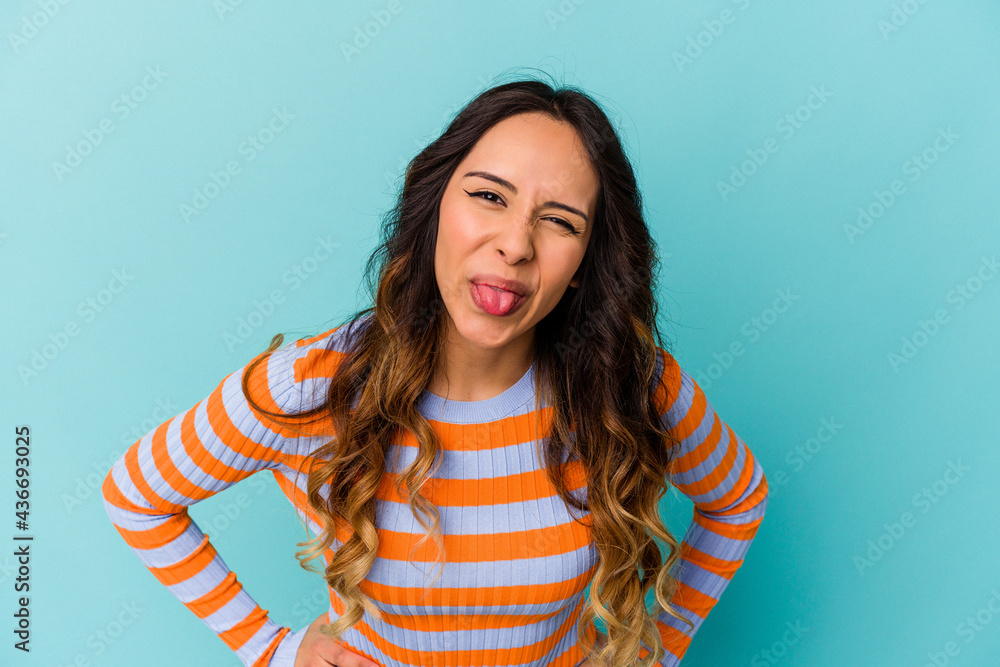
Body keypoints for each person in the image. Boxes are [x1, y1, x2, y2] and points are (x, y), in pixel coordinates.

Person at [102, 75, 768, 667]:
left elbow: (738, 499)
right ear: (434, 207)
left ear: (584, 265)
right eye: (489, 196)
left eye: (559, 221)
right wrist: (269, 648)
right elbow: (136, 495)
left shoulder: (630, 386)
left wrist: (654, 649)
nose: (514, 244)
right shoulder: (314, 386)